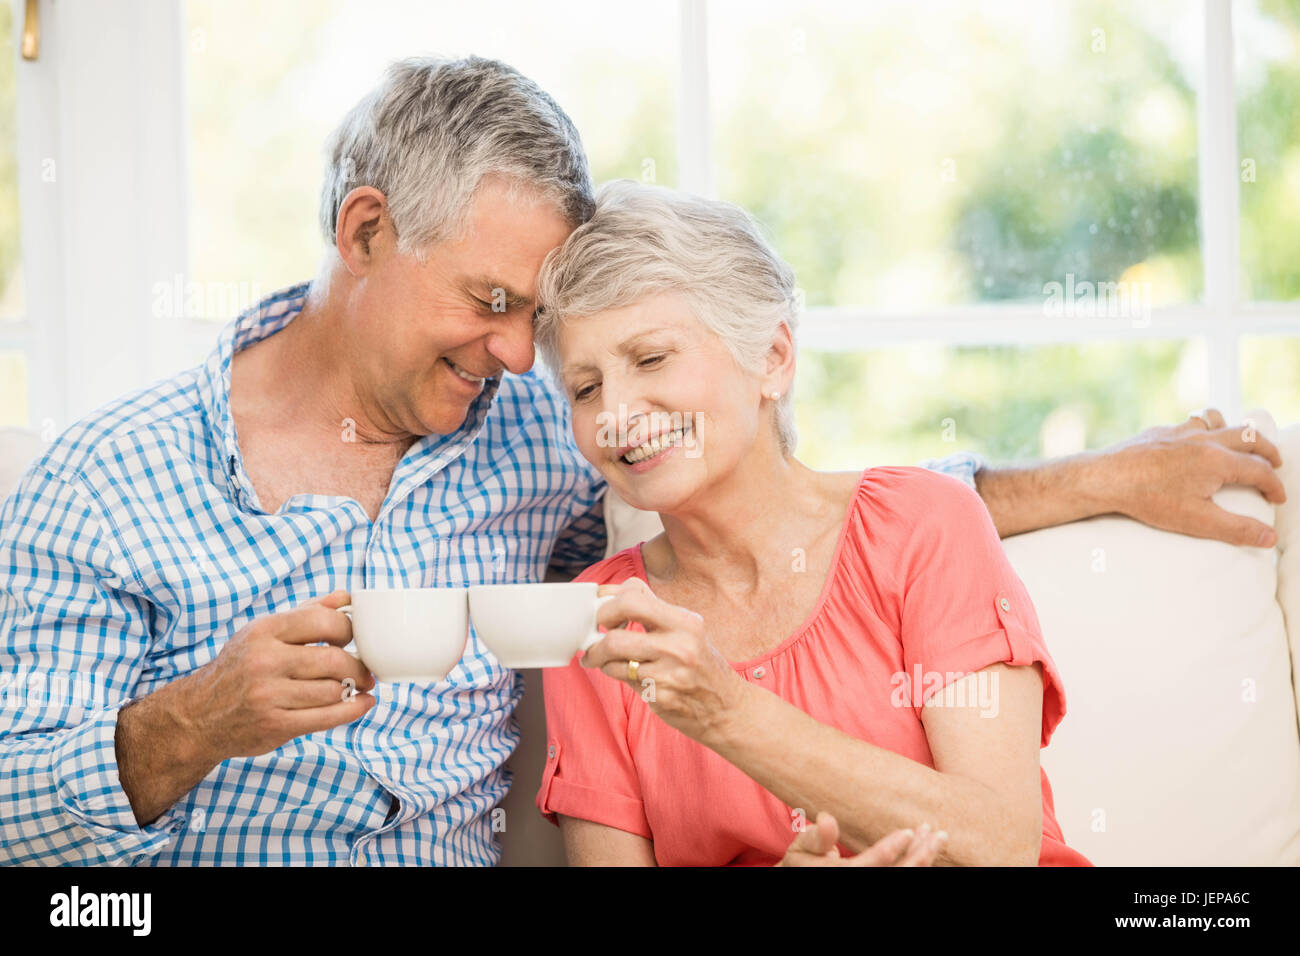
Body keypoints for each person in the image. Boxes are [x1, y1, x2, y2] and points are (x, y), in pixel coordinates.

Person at [0, 56, 1283, 867]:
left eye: (540, 328)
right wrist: (186, 721)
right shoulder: (104, 480)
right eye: (495, 302)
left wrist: (1098, 476)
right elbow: (13, 819)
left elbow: (786, 497)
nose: (519, 358)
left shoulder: (526, 439)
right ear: (366, 229)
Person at [529, 181, 1158, 865]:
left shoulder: (923, 525)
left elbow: (998, 845)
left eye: (650, 358)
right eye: (585, 389)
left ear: (772, 358)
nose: (615, 411)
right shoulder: (601, 618)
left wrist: (728, 712)